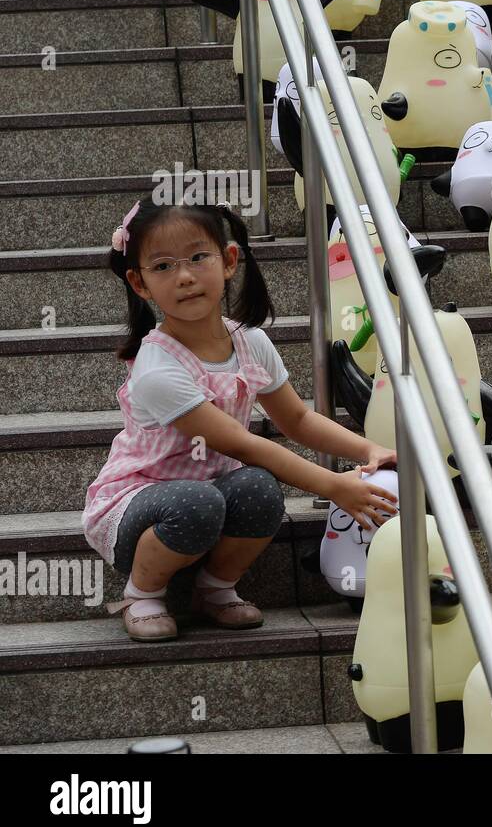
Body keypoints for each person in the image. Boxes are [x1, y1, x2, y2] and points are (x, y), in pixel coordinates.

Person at [83, 200, 399, 642]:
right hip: (139, 504)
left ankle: (214, 589)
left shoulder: (249, 341)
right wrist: (333, 486)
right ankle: (142, 593)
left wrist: (367, 449)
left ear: (228, 261)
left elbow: (298, 419)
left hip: (211, 493)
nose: (186, 276)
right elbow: (244, 444)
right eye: (164, 266)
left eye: (198, 257)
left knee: (260, 490)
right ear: (140, 283)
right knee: (199, 500)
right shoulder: (158, 368)